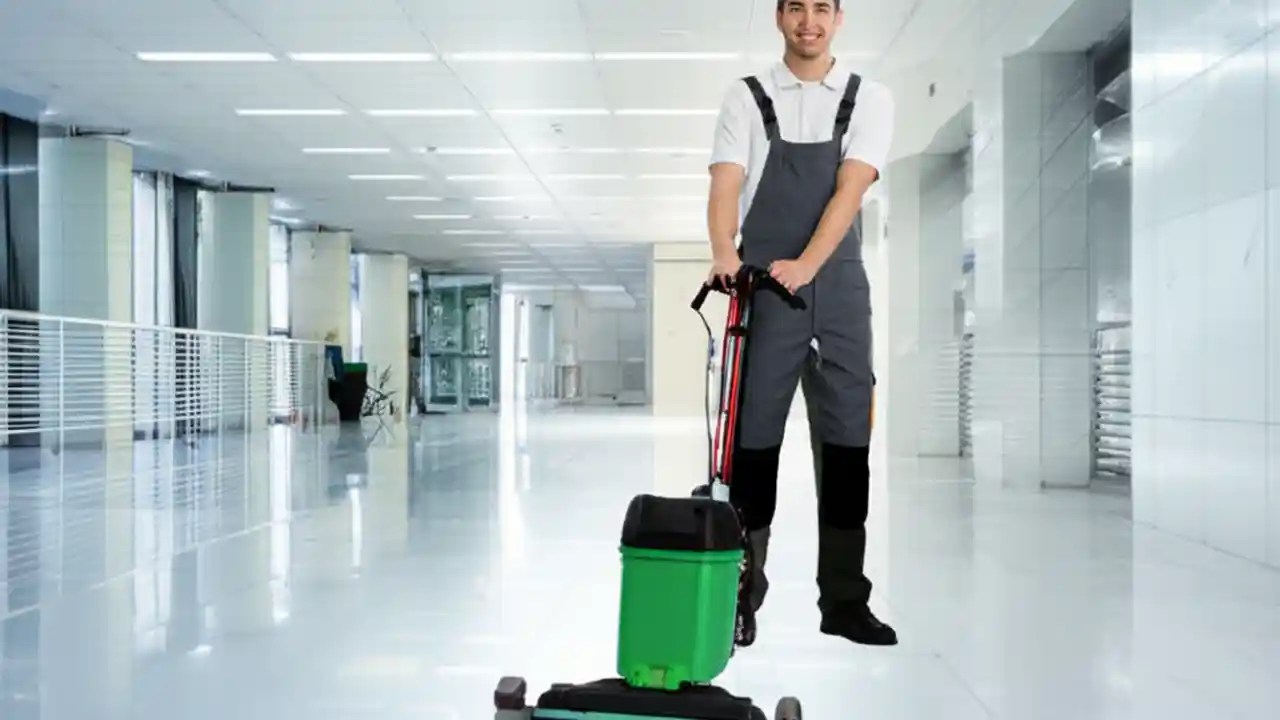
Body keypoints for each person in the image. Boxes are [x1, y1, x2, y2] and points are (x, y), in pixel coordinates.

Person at [706, 0, 896, 646]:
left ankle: (844, 601)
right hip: (766, 291)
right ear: (779, 17)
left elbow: (850, 190)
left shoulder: (869, 98)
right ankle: (741, 596)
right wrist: (726, 254)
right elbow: (726, 185)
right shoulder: (747, 96)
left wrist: (809, 266)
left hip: (837, 287)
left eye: (821, 8)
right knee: (752, 449)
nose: (808, 21)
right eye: (795, 8)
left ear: (838, 18)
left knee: (847, 449)